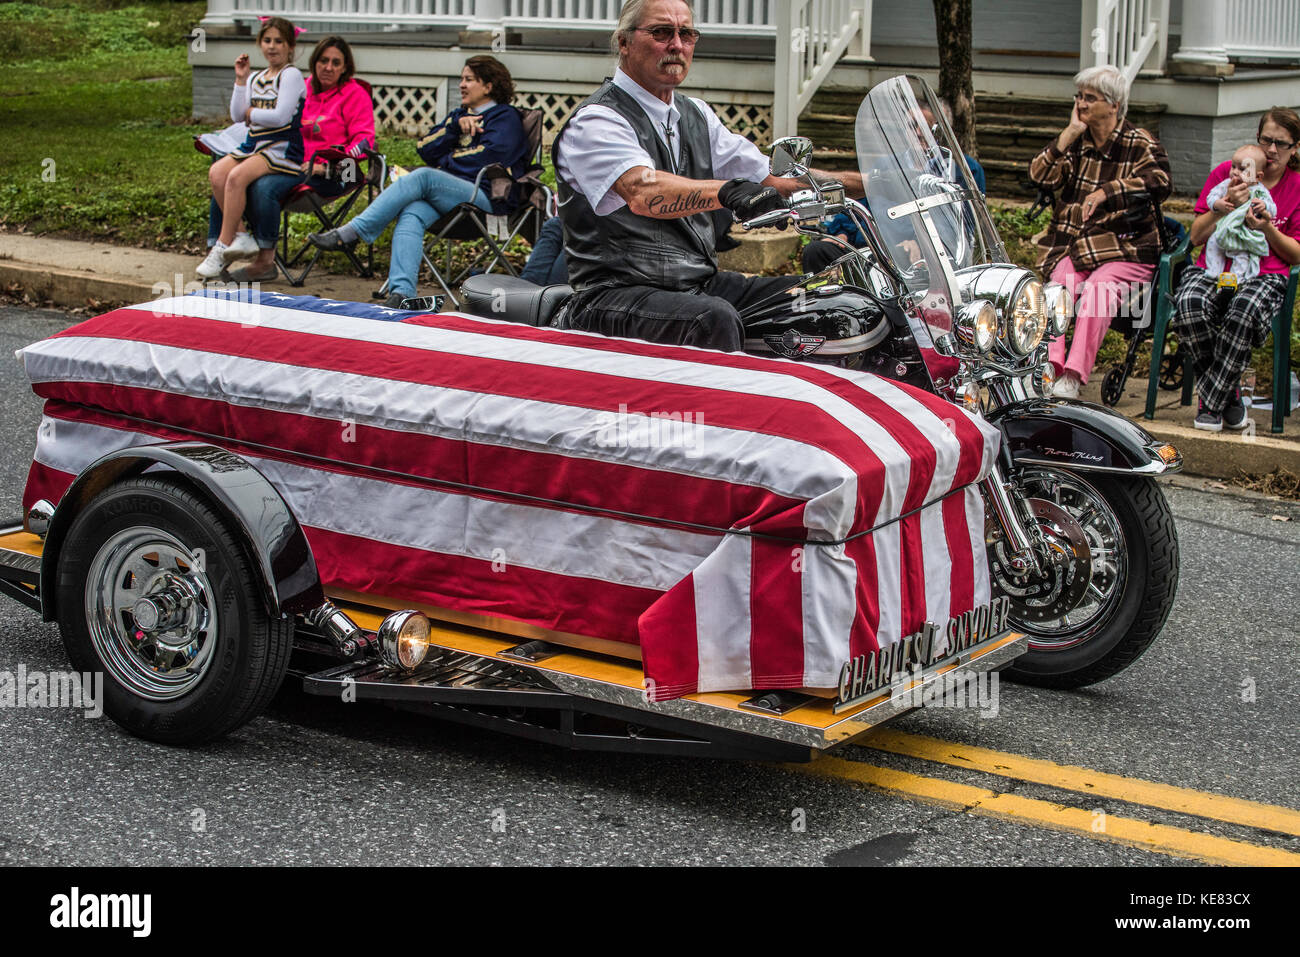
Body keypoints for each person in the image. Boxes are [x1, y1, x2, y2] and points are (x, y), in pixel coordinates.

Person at [552, 0, 864, 351]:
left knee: (830, 298)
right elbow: (642, 191)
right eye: (661, 32)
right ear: (624, 42)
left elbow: (778, 179)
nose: (676, 45)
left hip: (697, 284)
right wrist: (728, 191)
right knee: (710, 318)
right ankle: (718, 407)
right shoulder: (598, 120)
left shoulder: (695, 115)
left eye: (686, 34)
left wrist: (875, 183)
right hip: (612, 295)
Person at [309, 56, 528, 307]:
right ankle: (402, 294)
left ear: (488, 86)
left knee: (424, 175)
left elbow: (489, 157)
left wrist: (446, 161)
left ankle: (354, 232)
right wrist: (455, 128)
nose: (461, 85)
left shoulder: (505, 118)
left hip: (486, 198)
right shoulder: (458, 116)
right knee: (412, 212)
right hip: (449, 197)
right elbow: (424, 148)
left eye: (469, 80)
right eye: (461, 79)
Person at [1028, 64, 1171, 399]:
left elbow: (1160, 182)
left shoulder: (1140, 143)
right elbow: (1040, 175)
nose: (1081, 103)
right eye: (1079, 96)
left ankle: (1074, 378)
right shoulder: (1078, 142)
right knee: (1057, 289)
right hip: (1077, 245)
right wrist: (1068, 133)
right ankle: (1051, 368)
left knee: (1098, 290)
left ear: (1114, 105)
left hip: (1127, 246)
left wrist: (1109, 190)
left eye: (1089, 98)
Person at [1173, 107, 1300, 431]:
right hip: (1214, 267)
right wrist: (1224, 207)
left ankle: (1210, 404)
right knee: (1189, 305)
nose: (1272, 150)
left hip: (1266, 273)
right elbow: (1197, 236)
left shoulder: (1296, 187)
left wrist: (1267, 229)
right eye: (1267, 140)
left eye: (1282, 144)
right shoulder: (1227, 173)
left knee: (1244, 311)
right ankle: (1228, 399)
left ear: (1295, 148)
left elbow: (1296, 255)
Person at [211, 35, 376, 282]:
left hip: (329, 172)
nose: (328, 68)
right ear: (314, 62)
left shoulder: (355, 94)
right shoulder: (300, 87)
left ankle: (265, 262)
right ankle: (217, 253)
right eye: (323, 61)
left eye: (336, 63)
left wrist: (325, 166)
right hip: (285, 159)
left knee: (263, 187)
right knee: (227, 179)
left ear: (345, 68)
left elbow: (365, 142)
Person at [802, 97, 984, 275]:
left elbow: (962, 226)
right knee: (817, 251)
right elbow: (860, 205)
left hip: (926, 258)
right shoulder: (886, 165)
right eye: (913, 126)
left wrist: (920, 244)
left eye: (928, 127)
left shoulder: (960, 169)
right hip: (875, 250)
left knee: (905, 258)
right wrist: (842, 233)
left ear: (941, 131)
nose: (919, 133)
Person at [197, 17, 306, 279]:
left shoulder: (290, 75)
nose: (272, 46)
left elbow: (280, 117)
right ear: (260, 44)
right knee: (217, 173)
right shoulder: (257, 77)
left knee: (236, 177)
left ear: (290, 46)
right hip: (255, 145)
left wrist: (251, 112)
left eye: (279, 41)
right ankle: (242, 235)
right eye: (267, 41)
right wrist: (241, 80)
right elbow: (237, 115)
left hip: (281, 148)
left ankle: (223, 244)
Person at [1203, 144, 1276, 282]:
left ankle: (1234, 280)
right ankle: (1214, 272)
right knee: (1213, 243)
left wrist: (1264, 205)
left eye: (1242, 169)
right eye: (1233, 166)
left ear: (1258, 177)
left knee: (1242, 255)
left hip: (1243, 232)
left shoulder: (1260, 191)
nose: (1235, 172)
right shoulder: (1226, 184)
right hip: (1223, 228)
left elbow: (1273, 209)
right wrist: (1218, 204)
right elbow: (1211, 197)